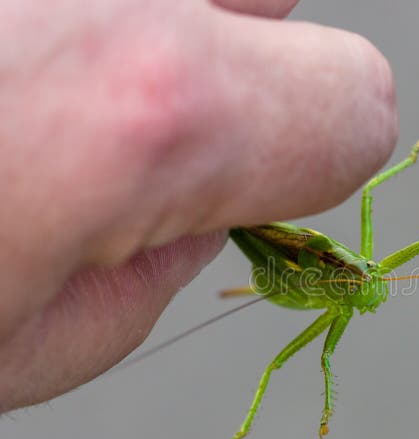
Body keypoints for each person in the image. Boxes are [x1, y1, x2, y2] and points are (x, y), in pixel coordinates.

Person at [0, 0, 397, 413]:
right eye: (367, 274)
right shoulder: (344, 289)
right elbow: (374, 210)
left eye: (369, 275)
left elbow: (327, 351)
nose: (371, 276)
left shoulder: (352, 287)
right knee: (246, 230)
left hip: (296, 274)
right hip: (285, 265)